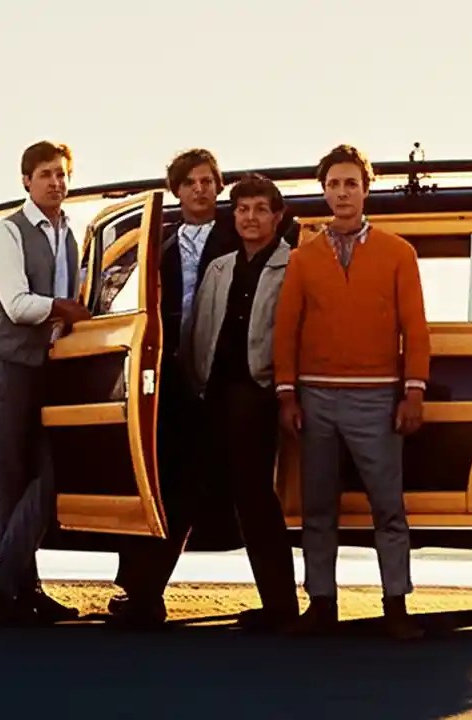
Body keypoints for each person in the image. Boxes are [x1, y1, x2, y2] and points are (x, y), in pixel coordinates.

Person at [273, 144, 430, 640]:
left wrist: (413, 392)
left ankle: (396, 606)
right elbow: (286, 330)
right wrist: (287, 394)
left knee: (388, 506)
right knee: (318, 508)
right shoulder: (303, 258)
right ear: (324, 191)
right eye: (334, 185)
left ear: (365, 190)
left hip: (377, 397)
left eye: (351, 184)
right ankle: (321, 604)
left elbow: (415, 327)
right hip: (316, 397)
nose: (342, 193)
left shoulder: (398, 252)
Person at [107, 148, 239, 627]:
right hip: (164, 377)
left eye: (207, 181)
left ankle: (146, 591)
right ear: (176, 191)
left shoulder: (237, 235)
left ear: (218, 187)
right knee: (147, 479)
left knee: (193, 486)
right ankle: (137, 589)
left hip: (220, 375)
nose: (200, 190)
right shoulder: (157, 244)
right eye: (190, 182)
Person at [0, 140, 90, 624]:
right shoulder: (8, 233)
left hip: (50, 370)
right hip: (5, 365)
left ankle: (5, 583)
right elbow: (18, 305)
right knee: (9, 478)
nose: (56, 182)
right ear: (26, 180)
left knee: (50, 475)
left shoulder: (71, 237)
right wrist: (63, 308)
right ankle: (20, 591)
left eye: (62, 174)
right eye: (46, 174)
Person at [184, 174, 300, 632]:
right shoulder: (220, 268)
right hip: (213, 392)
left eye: (260, 209)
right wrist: (197, 382)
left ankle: (280, 606)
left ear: (277, 216)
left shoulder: (294, 266)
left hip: (259, 392)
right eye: (243, 209)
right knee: (184, 486)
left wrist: (284, 389)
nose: (251, 218)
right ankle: (144, 597)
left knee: (255, 496)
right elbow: (199, 328)